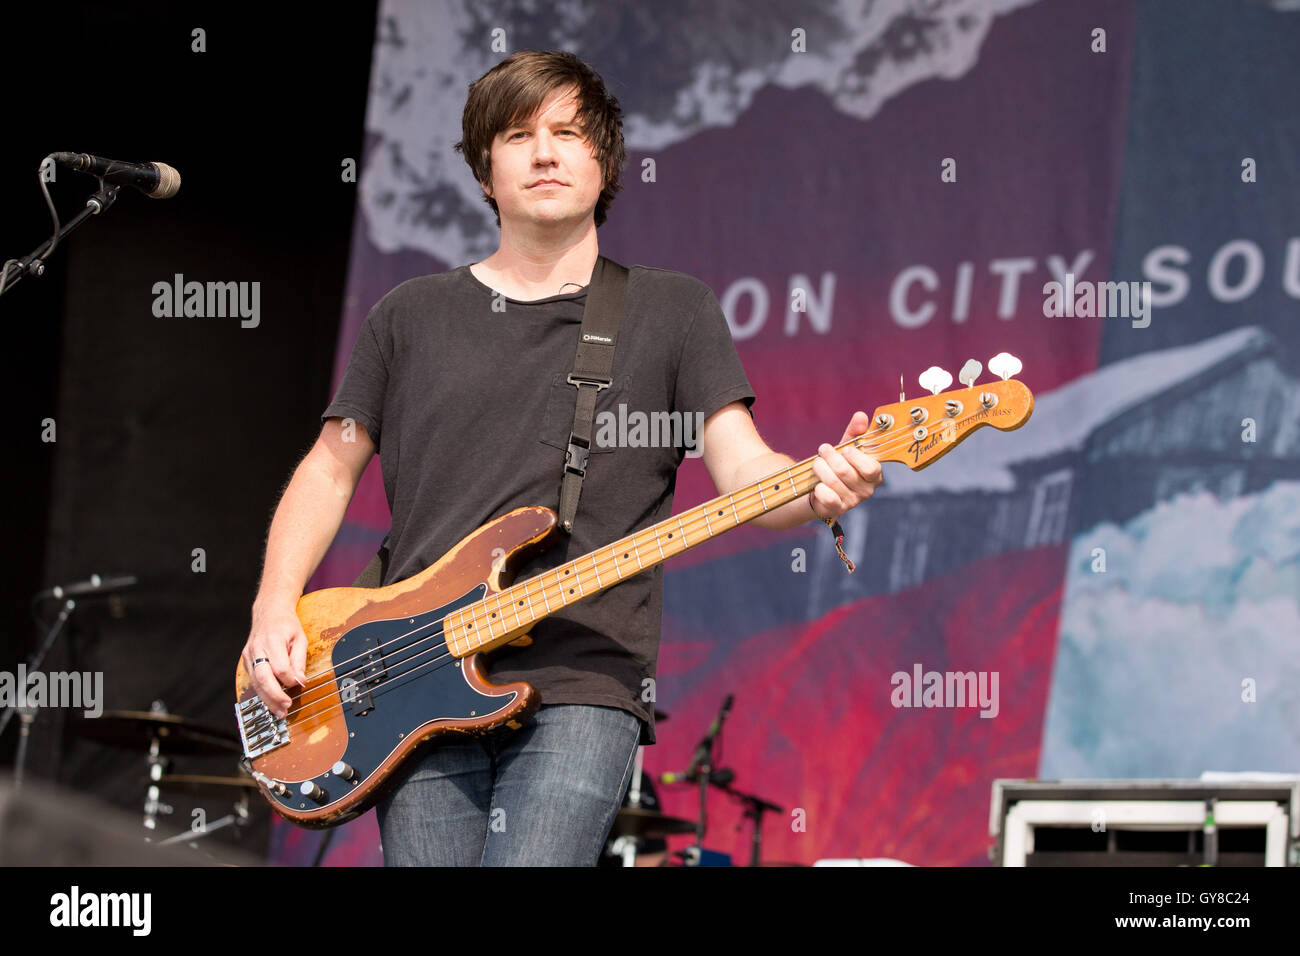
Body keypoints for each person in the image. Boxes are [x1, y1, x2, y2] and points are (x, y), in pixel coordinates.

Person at [241, 50, 883, 866]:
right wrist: (273, 607)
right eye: (518, 135)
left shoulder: (673, 311)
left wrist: (818, 490)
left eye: (568, 133)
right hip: (407, 677)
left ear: (604, 160)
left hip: (585, 678)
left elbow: (744, 469)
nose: (544, 153)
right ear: (485, 172)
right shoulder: (409, 316)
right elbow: (328, 468)